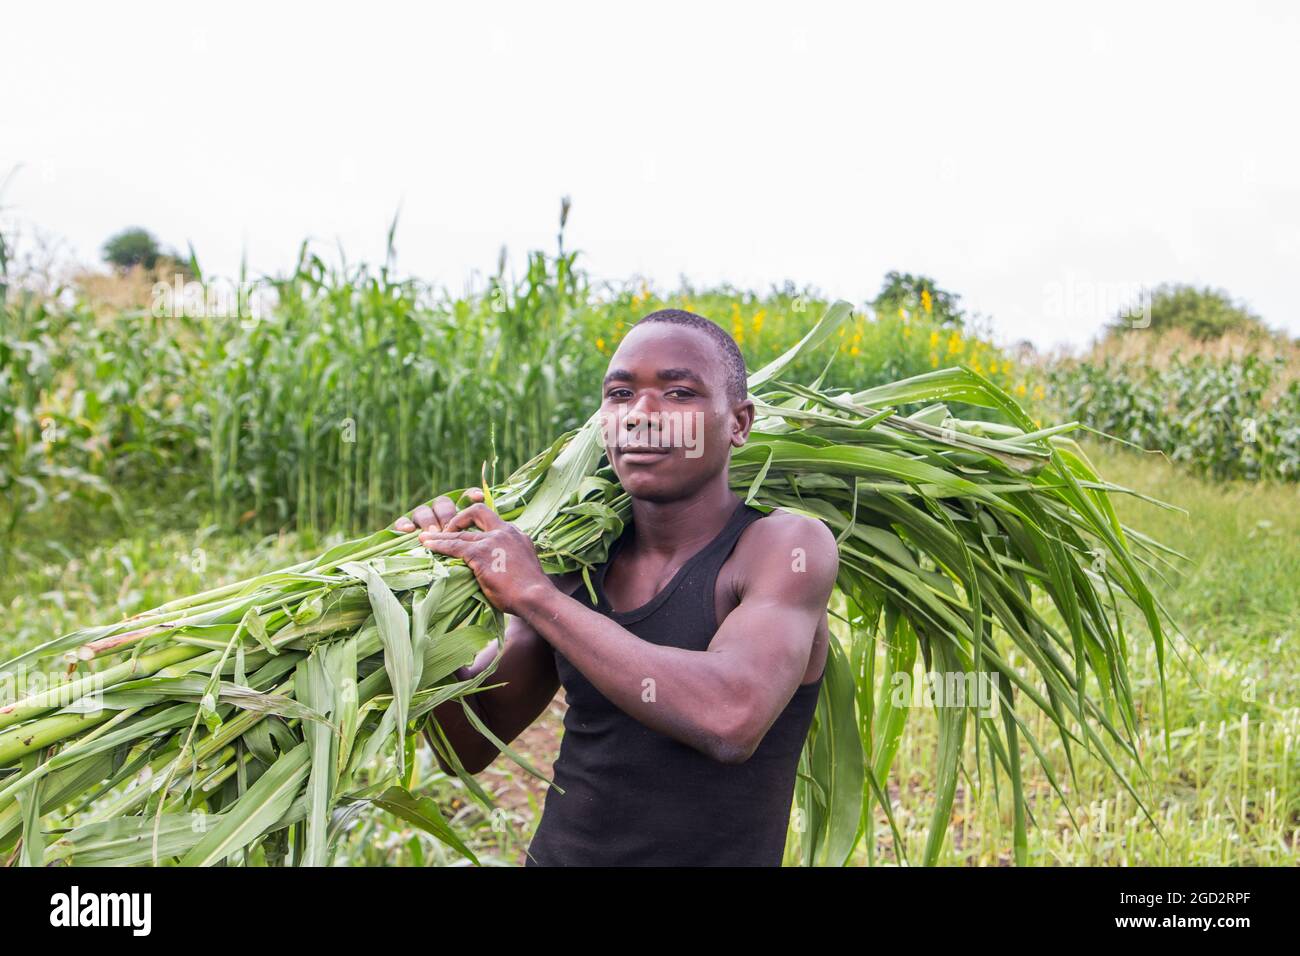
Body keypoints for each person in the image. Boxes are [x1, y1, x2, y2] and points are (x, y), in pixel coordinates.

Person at [394, 309, 838, 865]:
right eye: (620, 393)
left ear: (739, 423)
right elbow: (470, 746)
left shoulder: (783, 547)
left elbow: (730, 718)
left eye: (679, 393)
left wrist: (533, 594)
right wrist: (417, 607)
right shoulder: (576, 566)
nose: (642, 415)